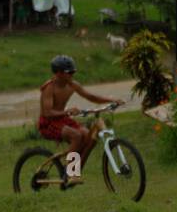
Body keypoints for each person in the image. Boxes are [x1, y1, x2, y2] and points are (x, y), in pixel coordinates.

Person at [38, 54, 120, 183]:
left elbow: (91, 97)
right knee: (76, 136)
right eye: (68, 72)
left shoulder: (72, 84)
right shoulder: (49, 88)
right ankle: (71, 173)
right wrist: (67, 111)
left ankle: (75, 169)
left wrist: (112, 101)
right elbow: (47, 113)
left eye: (73, 72)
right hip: (48, 123)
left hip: (62, 120)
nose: (71, 75)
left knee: (89, 136)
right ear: (58, 73)